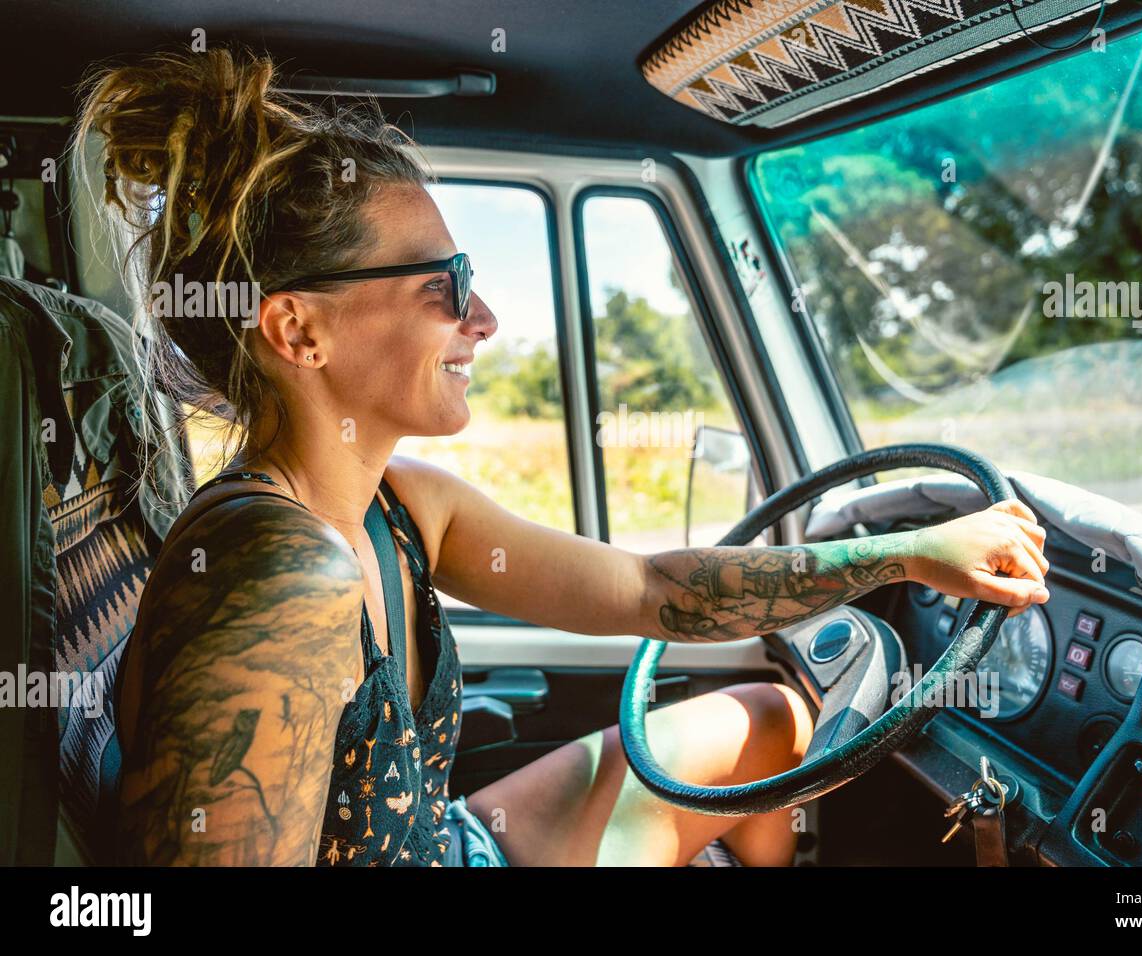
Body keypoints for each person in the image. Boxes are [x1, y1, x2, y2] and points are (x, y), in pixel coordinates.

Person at [78, 47, 1050, 867]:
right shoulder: (272, 571)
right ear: (299, 330)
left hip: (446, 842)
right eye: (444, 286)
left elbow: (649, 587)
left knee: (763, 721)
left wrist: (906, 553)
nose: (485, 320)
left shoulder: (404, 505)